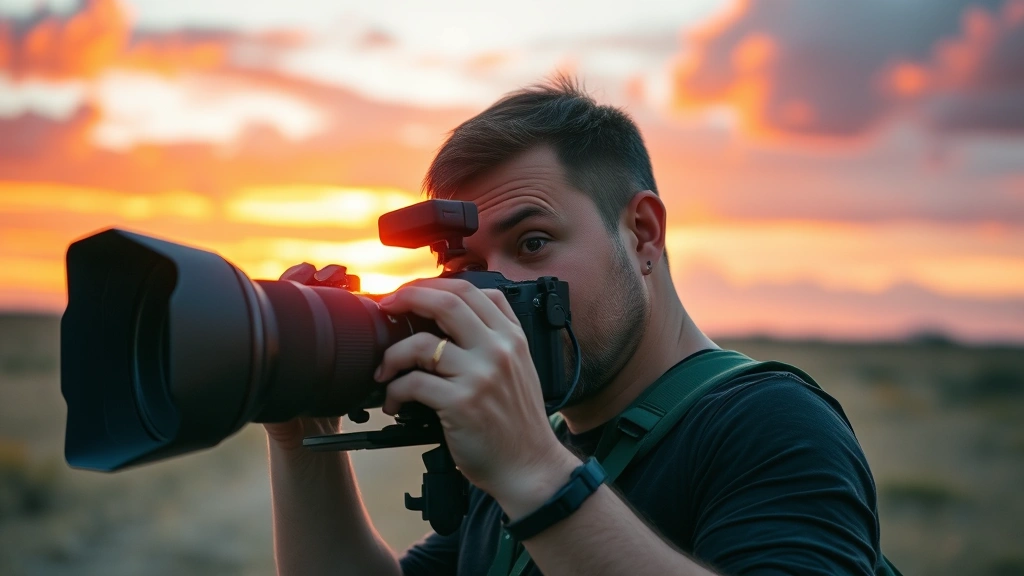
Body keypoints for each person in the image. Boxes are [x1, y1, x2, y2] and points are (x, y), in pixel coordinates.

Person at [264, 77, 887, 575]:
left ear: (643, 234)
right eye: (467, 266)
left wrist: (532, 467)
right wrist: (302, 441)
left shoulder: (769, 423)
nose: (493, 294)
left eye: (532, 243)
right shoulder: (530, 435)